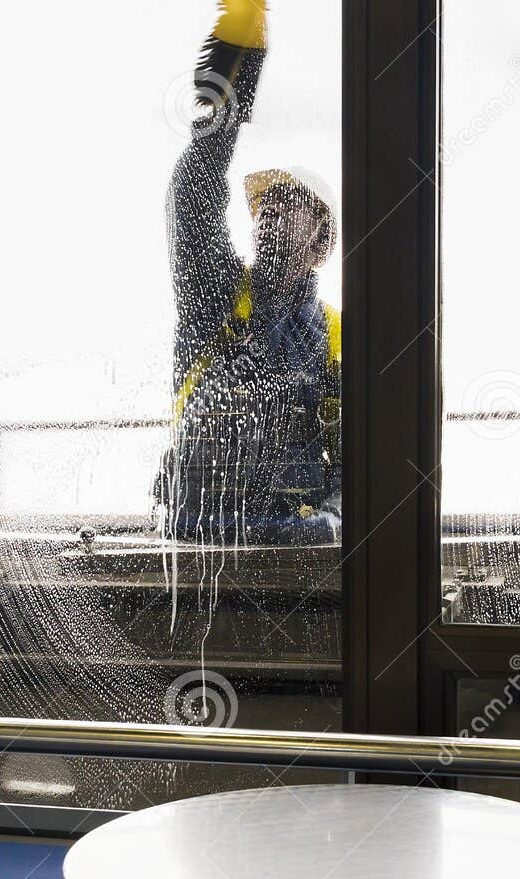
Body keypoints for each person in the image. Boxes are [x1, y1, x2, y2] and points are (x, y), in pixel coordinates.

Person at [154, 0, 342, 546]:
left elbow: (361, 456)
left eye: (289, 205)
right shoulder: (213, 292)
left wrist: (330, 520)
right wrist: (227, 103)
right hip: (194, 532)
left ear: (320, 240)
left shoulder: (335, 337)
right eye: (263, 208)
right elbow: (190, 202)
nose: (270, 215)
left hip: (289, 541)